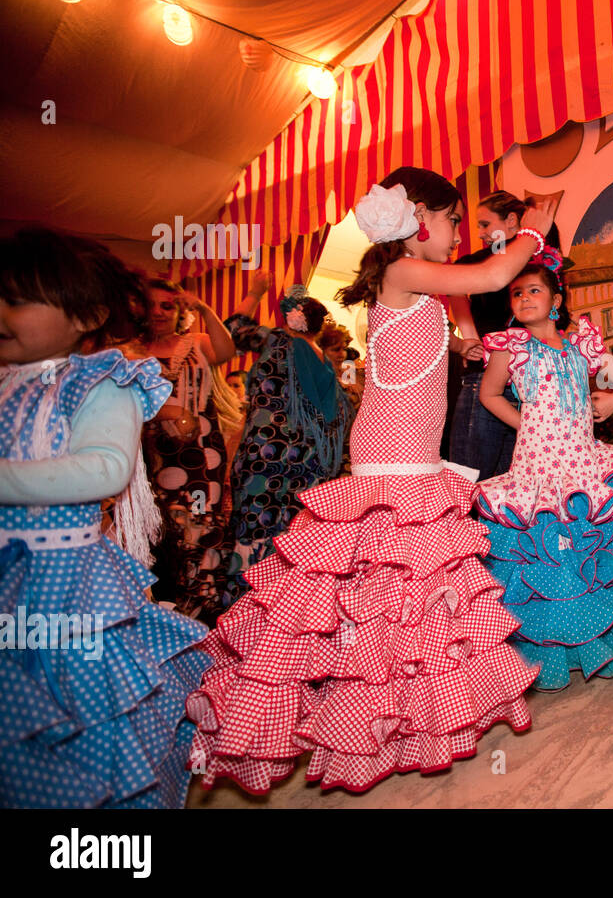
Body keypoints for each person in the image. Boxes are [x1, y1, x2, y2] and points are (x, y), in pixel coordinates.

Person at [185, 168, 555, 793]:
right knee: (371, 590)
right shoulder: (402, 271)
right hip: (391, 458)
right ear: (416, 219)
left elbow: (424, 347)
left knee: (399, 599)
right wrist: (533, 235)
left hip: (409, 454)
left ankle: (395, 712)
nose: (460, 233)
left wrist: (460, 349)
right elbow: (492, 276)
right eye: (454, 220)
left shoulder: (417, 289)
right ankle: (293, 713)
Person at [0, 227, 210, 808]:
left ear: (86, 313)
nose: (2, 311)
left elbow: (105, 469)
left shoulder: (96, 381)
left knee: (77, 714)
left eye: (18, 299)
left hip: (62, 584)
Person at [475, 259, 613, 690]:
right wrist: (526, 424)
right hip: (536, 468)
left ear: (556, 300)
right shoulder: (511, 348)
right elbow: (489, 394)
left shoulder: (580, 345)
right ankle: (549, 650)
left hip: (582, 463)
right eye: (517, 293)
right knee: (547, 549)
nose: (524, 298)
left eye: (534, 290)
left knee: (583, 544)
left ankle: (592, 640)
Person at [222, 279, 356, 598]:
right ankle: (284, 615)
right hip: (308, 467)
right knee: (294, 542)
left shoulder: (276, 341)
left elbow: (234, 328)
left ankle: (245, 610)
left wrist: (254, 291)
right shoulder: (324, 365)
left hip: (265, 459)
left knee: (253, 533)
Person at [136, 278, 236, 625]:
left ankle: (200, 607)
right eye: (152, 304)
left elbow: (227, 351)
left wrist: (204, 308)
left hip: (201, 455)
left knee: (201, 524)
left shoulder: (197, 343)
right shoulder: (130, 351)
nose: (159, 312)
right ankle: (165, 607)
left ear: (180, 311)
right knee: (164, 530)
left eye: (168, 305)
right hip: (153, 457)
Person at [447, 191, 562, 480]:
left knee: (513, 481)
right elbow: (454, 285)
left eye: (485, 224)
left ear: (511, 220)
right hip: (486, 375)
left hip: (528, 382)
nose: (480, 233)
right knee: (472, 479)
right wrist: (471, 338)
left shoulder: (539, 254)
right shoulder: (484, 261)